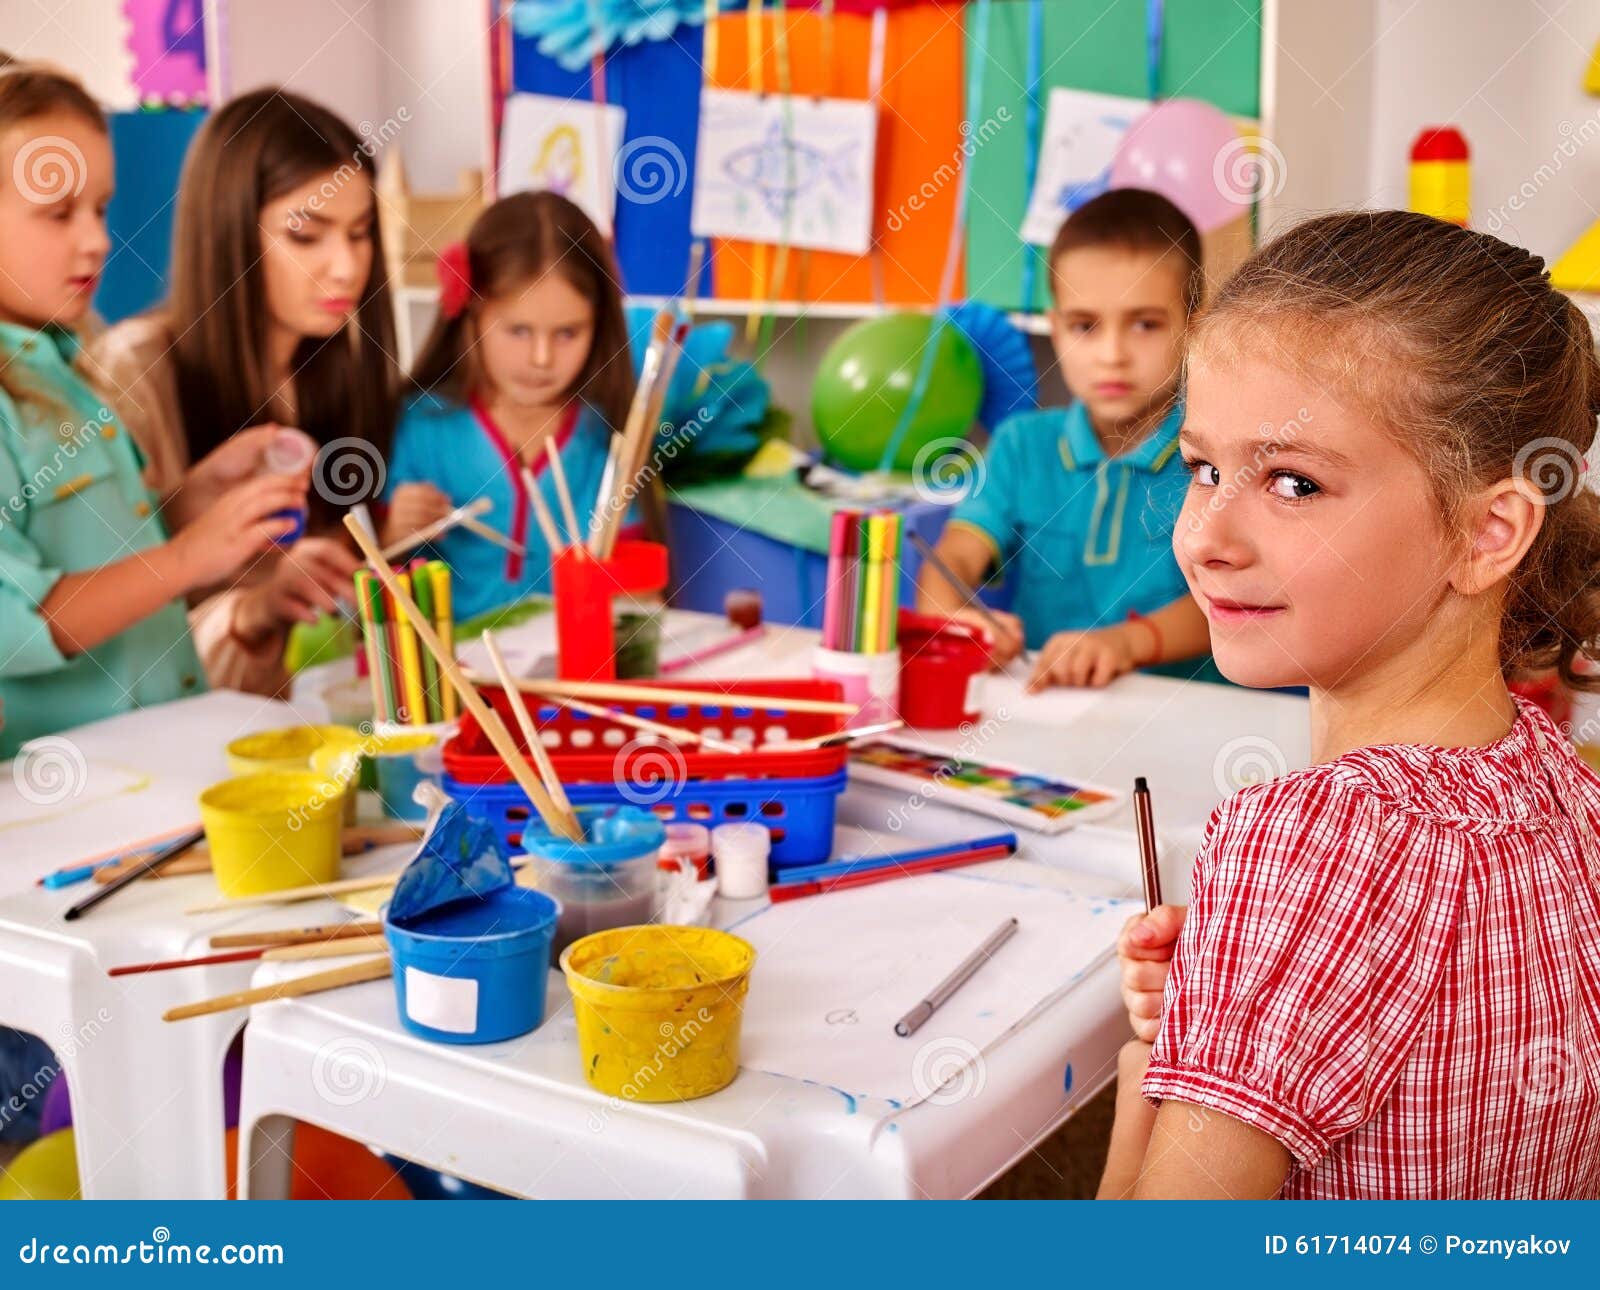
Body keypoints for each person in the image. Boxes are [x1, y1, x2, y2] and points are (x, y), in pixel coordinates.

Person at [1101, 210, 1600, 1199]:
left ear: (1487, 532)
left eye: (1292, 483)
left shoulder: (1302, 846)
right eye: (1204, 469)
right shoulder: (1569, 792)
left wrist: (1141, 1092)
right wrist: (1240, 995)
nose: (1204, 538)